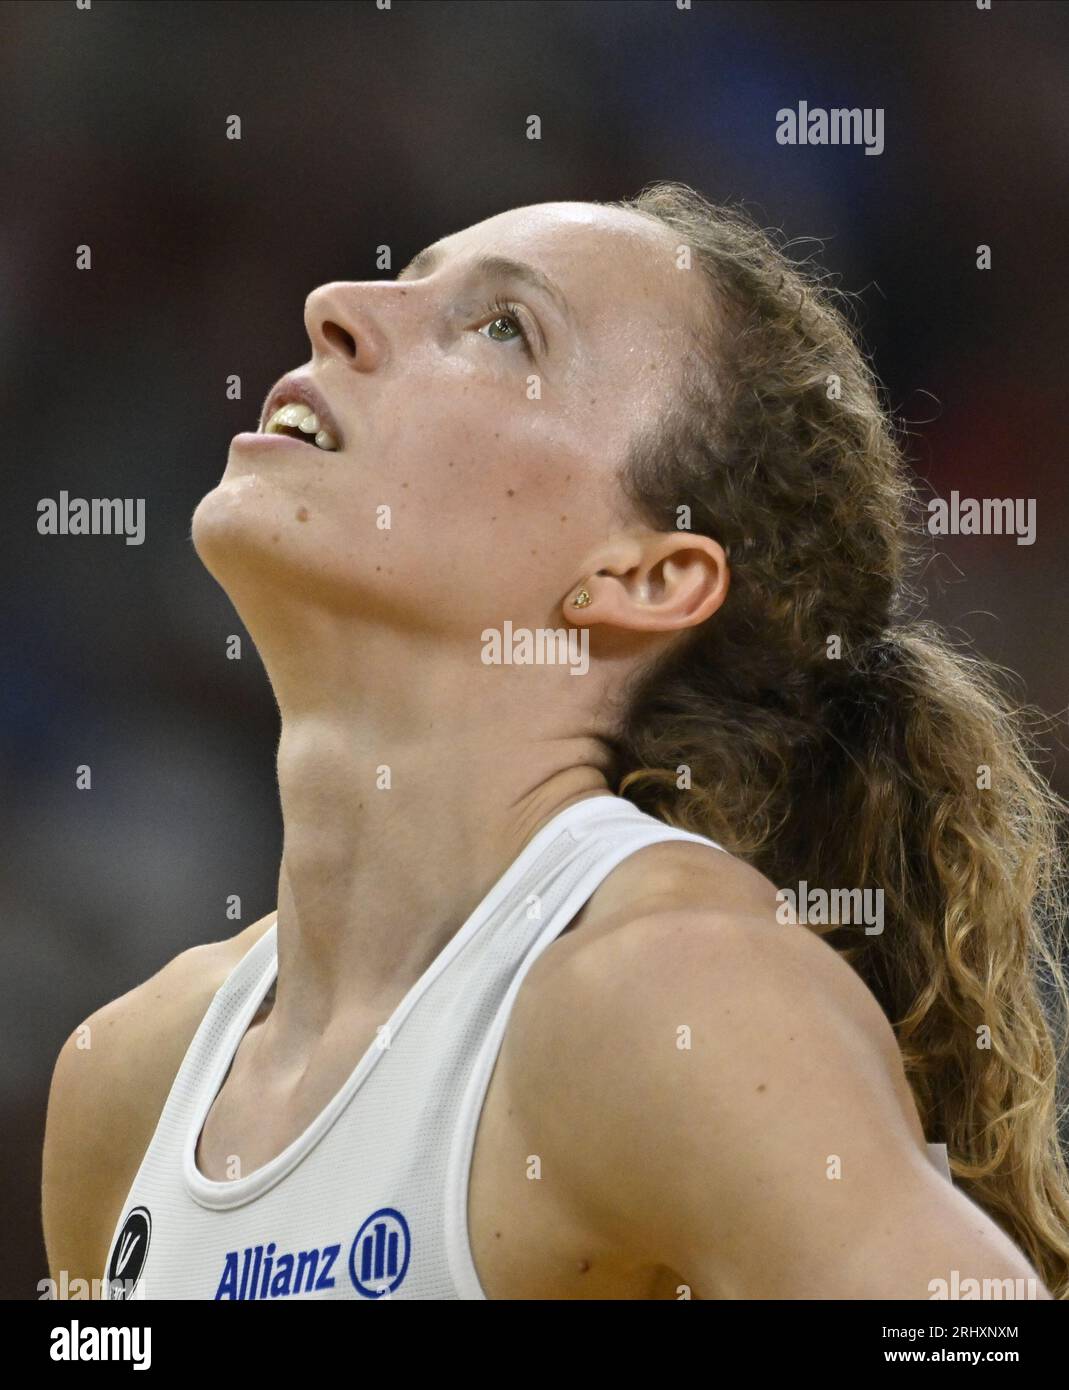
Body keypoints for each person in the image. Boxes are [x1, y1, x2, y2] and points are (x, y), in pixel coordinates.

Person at [42, 183, 1068, 1300]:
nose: (335, 306)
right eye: (410, 277)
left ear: (644, 575)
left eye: (501, 327)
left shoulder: (662, 991)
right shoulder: (127, 1077)